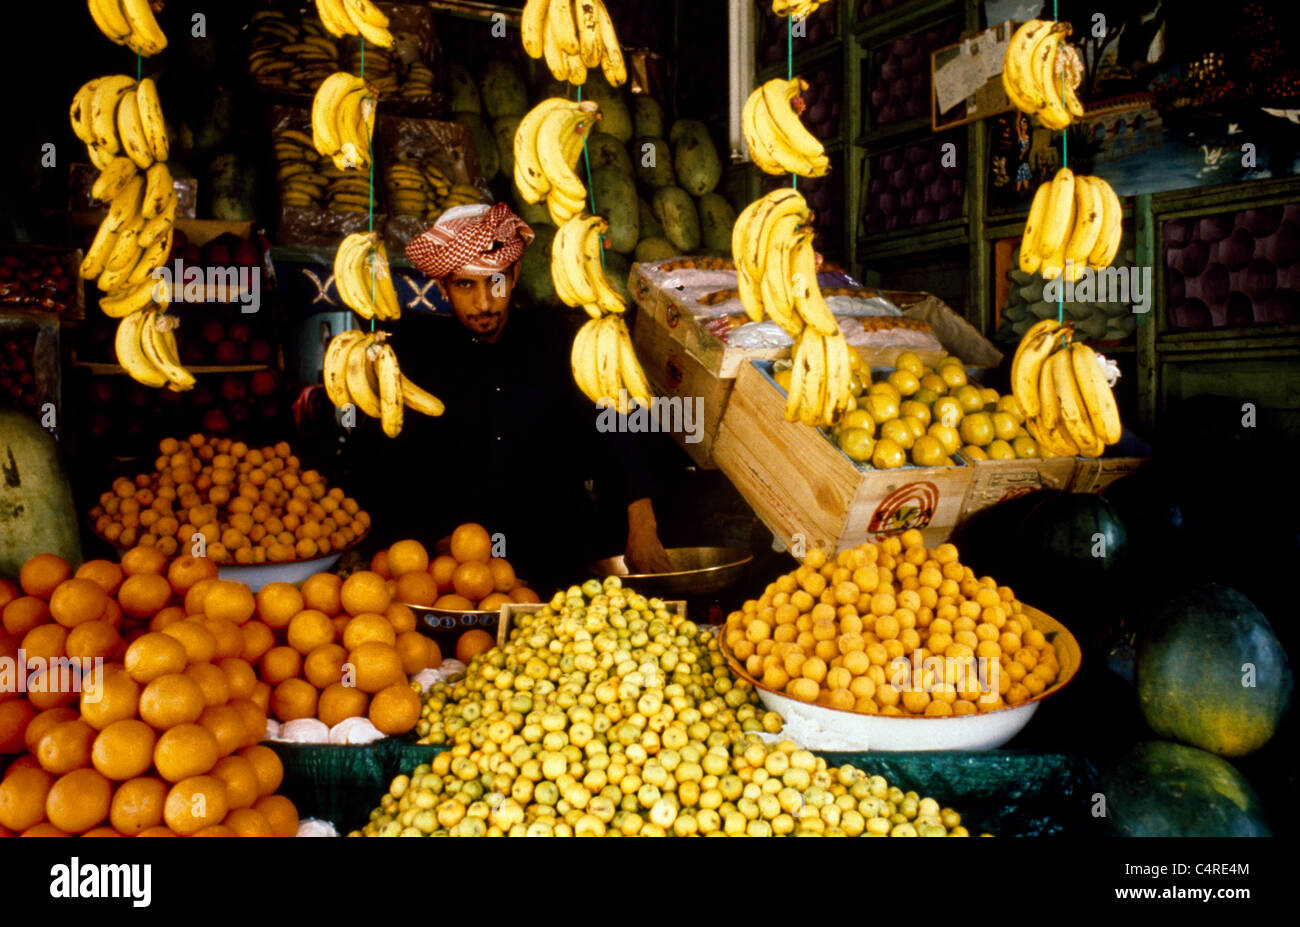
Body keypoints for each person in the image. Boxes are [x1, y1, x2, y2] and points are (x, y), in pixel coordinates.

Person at [344, 202, 672, 588]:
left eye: (494, 282)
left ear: (514, 275)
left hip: (563, 562)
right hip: (455, 577)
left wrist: (643, 523)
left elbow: (618, 429)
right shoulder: (409, 362)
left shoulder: (568, 343)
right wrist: (432, 536)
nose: (483, 303)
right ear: (442, 287)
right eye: (465, 284)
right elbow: (380, 468)